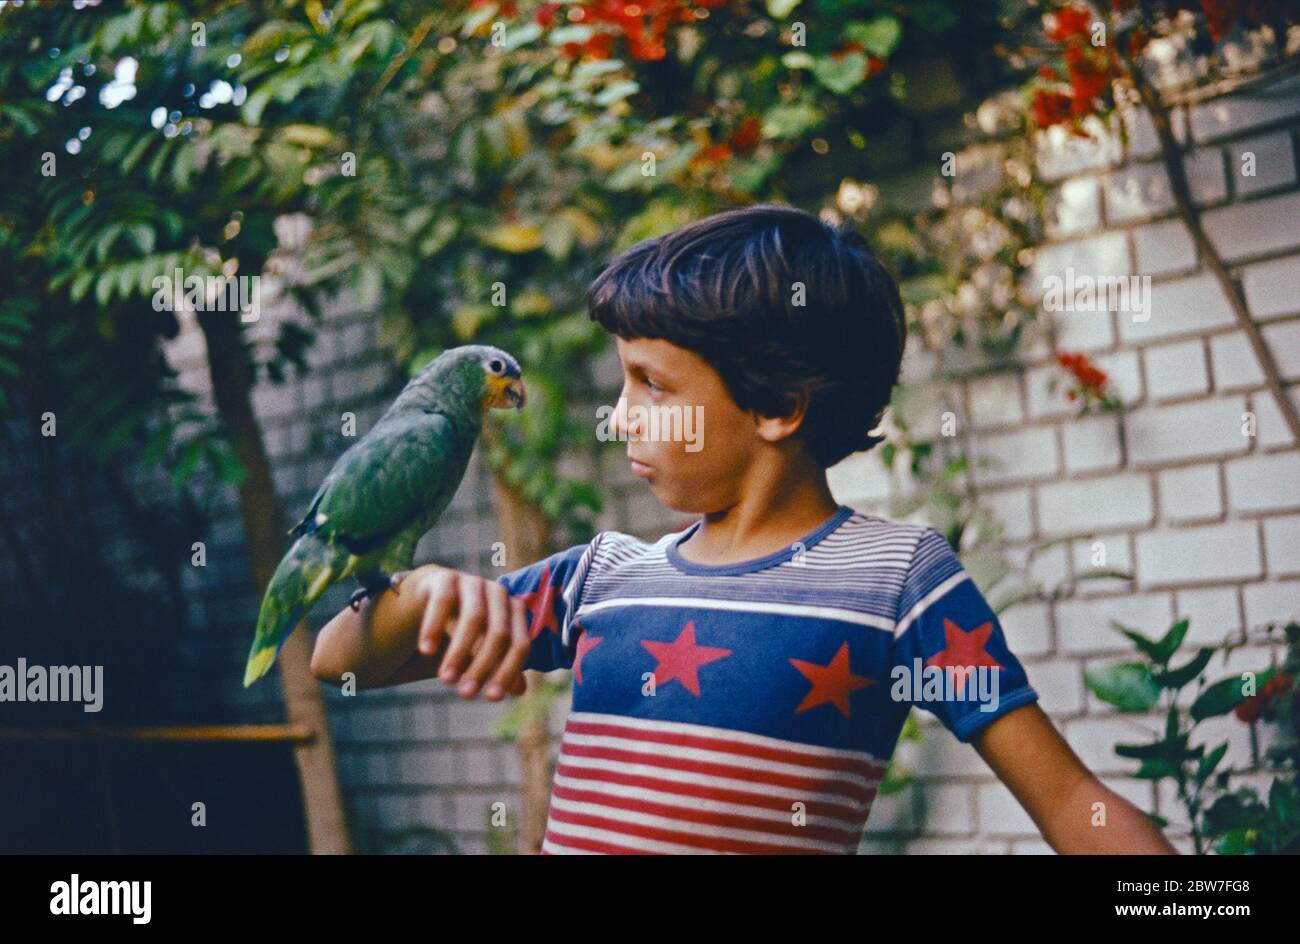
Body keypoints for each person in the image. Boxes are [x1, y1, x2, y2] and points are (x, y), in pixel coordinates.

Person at [310, 203, 1177, 855]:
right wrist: (418, 592)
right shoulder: (596, 580)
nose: (621, 419)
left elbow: (1068, 803)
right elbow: (341, 663)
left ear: (777, 405)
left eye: (652, 385)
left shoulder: (897, 581)